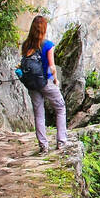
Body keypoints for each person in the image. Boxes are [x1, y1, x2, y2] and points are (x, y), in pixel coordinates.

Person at [20, 15, 70, 153]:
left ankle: (43, 146)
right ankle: (61, 141)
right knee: (60, 108)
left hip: (31, 84)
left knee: (39, 113)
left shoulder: (25, 45)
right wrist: (55, 79)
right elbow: (52, 67)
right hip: (45, 82)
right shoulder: (47, 45)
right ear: (44, 29)